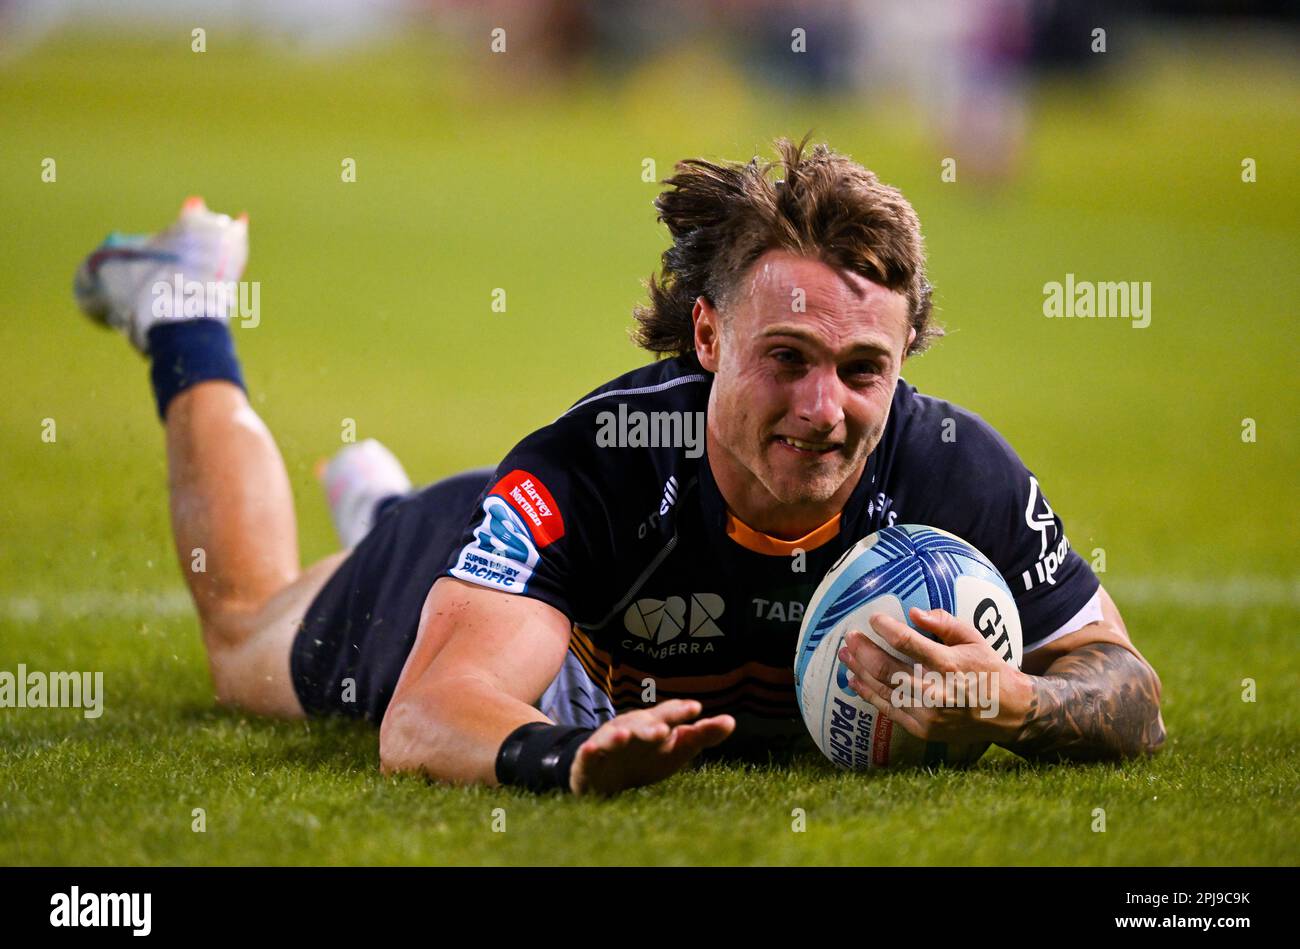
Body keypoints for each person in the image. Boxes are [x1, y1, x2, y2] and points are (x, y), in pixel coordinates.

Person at [73, 138, 1165, 797]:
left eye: (862, 368)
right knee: (243, 638)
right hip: (487, 591)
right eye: (785, 358)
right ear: (706, 337)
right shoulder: (600, 464)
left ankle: (377, 496)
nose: (823, 410)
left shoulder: (948, 470)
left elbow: (1128, 691)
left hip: (538, 596)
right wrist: (565, 756)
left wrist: (1018, 699)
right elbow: (424, 714)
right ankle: (187, 302)